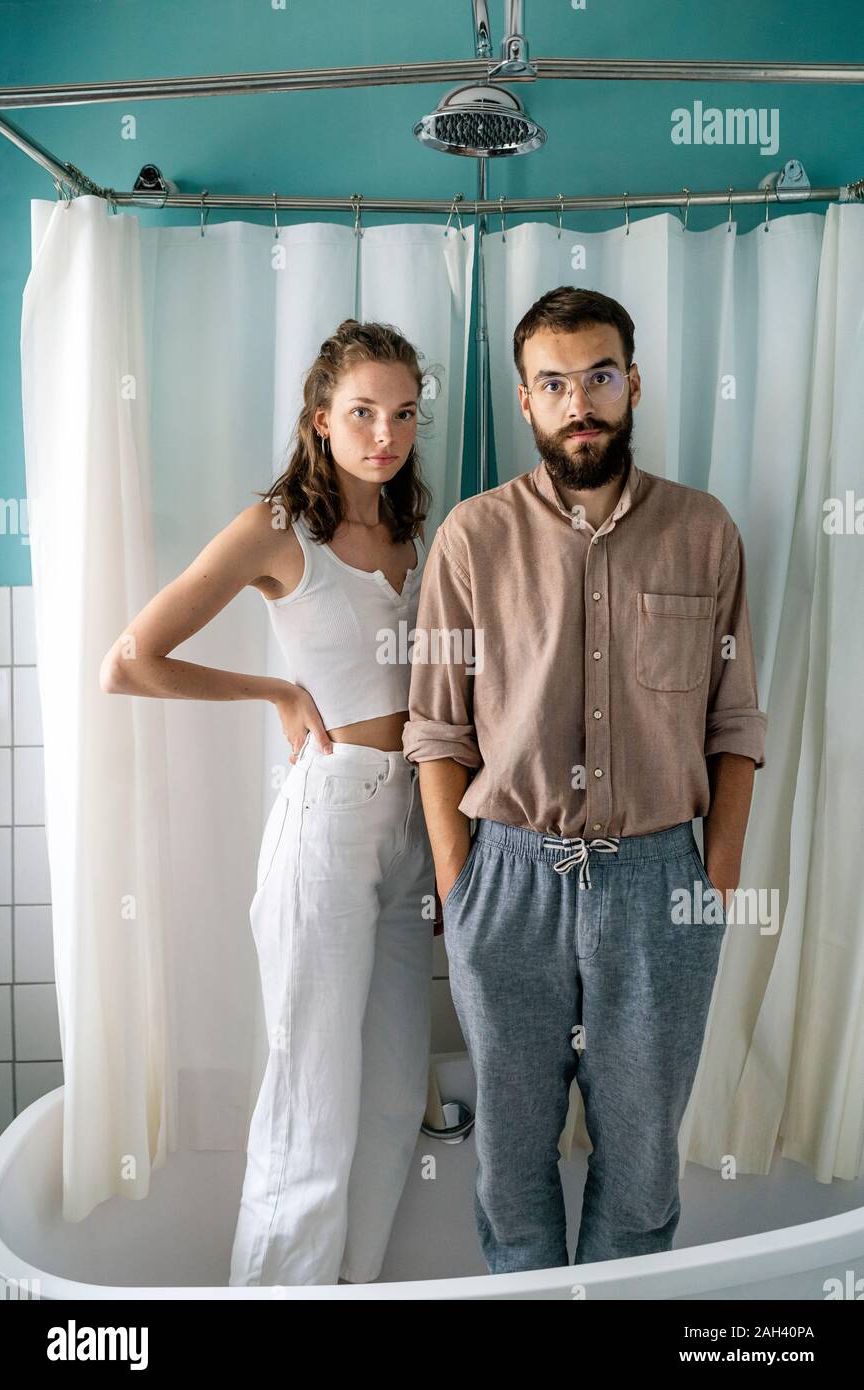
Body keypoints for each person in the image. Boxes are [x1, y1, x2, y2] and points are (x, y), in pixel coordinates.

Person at [402, 285, 768, 1273]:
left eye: (599, 376)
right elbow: (435, 731)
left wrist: (714, 885)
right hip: (506, 883)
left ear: (633, 383)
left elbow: (736, 724)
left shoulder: (705, 532)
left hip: (661, 884)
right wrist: (461, 889)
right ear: (524, 401)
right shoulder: (471, 541)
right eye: (554, 383)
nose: (581, 402)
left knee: (644, 1166)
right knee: (510, 1161)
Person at [101, 319, 439, 1286]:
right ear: (321, 417)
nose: (386, 433)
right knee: (310, 1102)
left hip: (411, 821)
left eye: (404, 413)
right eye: (363, 412)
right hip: (328, 820)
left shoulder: (416, 523)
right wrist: (278, 694)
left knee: (383, 1105)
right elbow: (128, 663)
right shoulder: (277, 528)